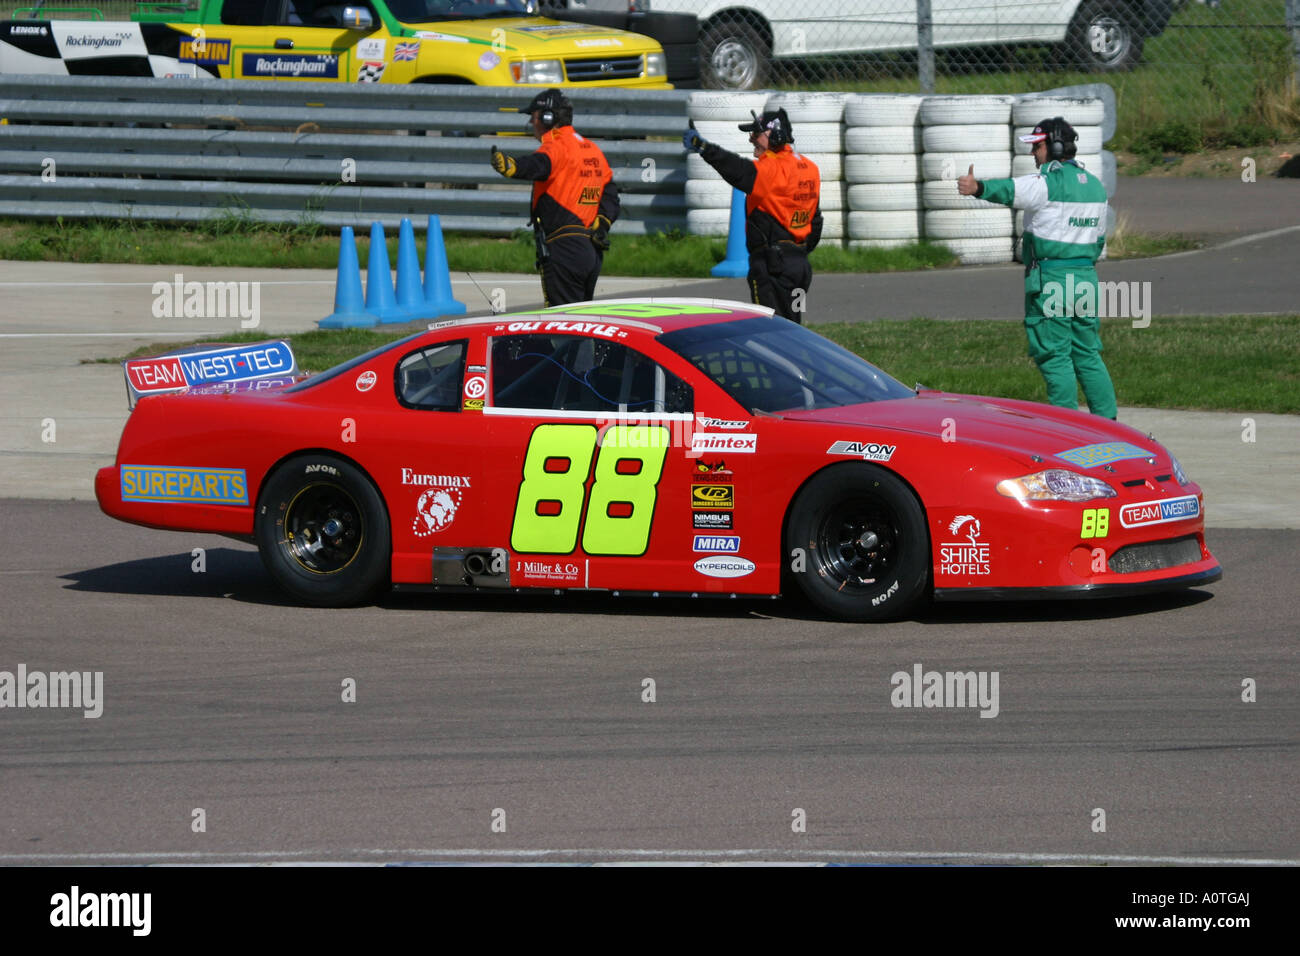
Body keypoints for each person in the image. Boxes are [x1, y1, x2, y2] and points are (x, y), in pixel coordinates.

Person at [957, 117, 1117, 419]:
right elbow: (1098, 242)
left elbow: (1009, 190)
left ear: (1055, 146)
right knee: (1087, 353)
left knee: (1054, 355)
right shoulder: (1096, 186)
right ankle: (1109, 424)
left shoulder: (1046, 183)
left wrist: (977, 187)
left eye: (1038, 146)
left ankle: (1066, 429)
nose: (1034, 154)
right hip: (1086, 278)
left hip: (1051, 279)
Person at [683, 109, 822, 323]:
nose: (751, 139)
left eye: (756, 134)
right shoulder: (809, 168)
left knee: (770, 330)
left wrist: (703, 148)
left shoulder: (771, 169)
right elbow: (816, 219)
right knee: (793, 328)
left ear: (774, 135)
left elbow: (737, 170)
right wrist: (799, 251)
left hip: (772, 266)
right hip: (799, 265)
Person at [489, 88, 619, 307]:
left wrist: (513, 166)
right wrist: (603, 222)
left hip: (564, 249)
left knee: (563, 326)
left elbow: (540, 164)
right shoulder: (592, 149)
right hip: (591, 251)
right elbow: (611, 195)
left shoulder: (557, 146)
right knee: (582, 324)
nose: (532, 122)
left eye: (534, 116)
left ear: (548, 117)